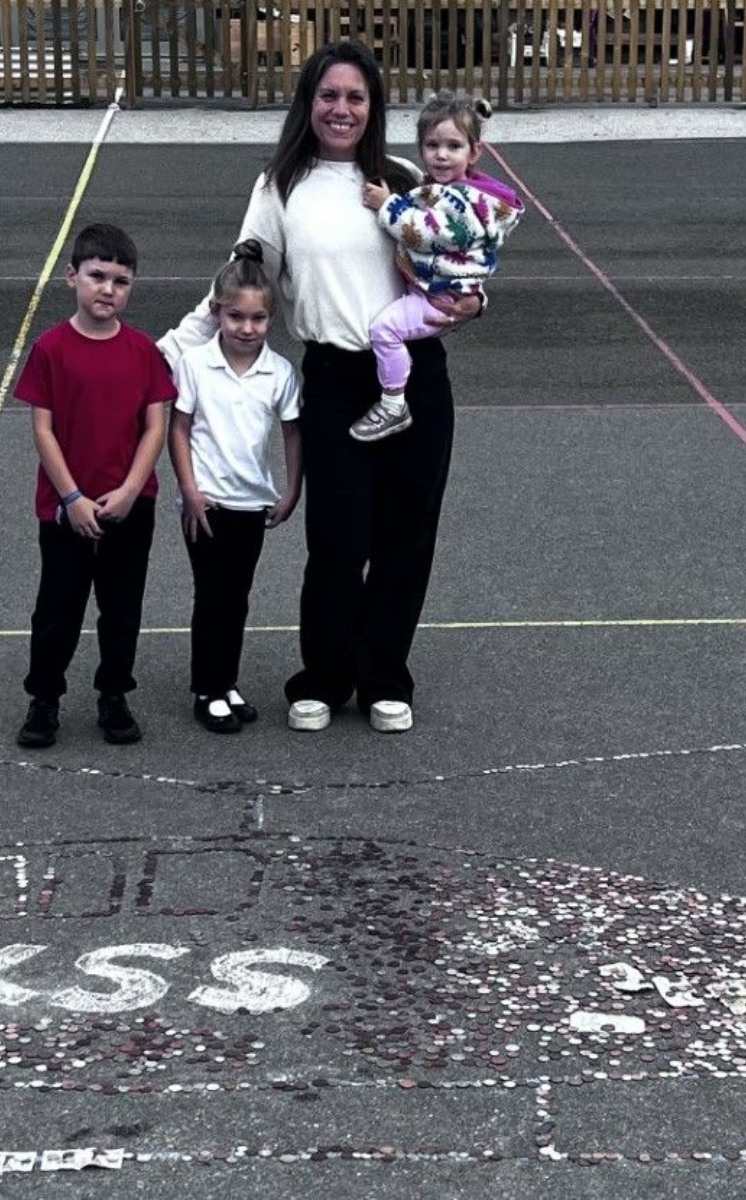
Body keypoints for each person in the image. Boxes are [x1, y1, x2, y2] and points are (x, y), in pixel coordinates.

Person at [159, 40, 481, 736]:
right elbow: (241, 280)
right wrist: (168, 350)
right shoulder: (280, 185)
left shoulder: (404, 179)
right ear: (309, 102)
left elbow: (458, 259)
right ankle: (325, 677)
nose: (341, 109)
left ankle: (384, 677)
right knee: (337, 538)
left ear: (374, 106)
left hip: (413, 376)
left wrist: (473, 302)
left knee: (406, 537)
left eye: (355, 97)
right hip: (334, 380)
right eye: (329, 95)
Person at [15, 223, 175, 749]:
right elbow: (43, 430)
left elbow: (154, 427)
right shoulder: (50, 348)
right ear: (72, 277)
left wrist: (129, 491)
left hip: (129, 506)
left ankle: (114, 693)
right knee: (58, 609)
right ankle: (44, 698)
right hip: (67, 509)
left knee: (121, 609)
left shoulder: (143, 351)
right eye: (97, 276)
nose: (108, 289)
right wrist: (71, 497)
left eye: (121, 281)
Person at [167, 241, 303, 735]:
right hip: (206, 503)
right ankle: (207, 688)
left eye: (258, 318)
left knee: (237, 596)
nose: (247, 328)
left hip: (252, 503)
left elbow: (292, 432)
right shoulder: (195, 364)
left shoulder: (279, 372)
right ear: (218, 313)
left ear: (270, 319)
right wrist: (189, 489)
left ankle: (226, 681)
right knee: (212, 595)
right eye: (236, 316)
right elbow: (179, 428)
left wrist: (291, 491)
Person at [352, 92, 524, 443]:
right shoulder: (449, 189)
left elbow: (427, 234)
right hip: (443, 290)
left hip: (438, 298)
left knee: (385, 330)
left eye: (453, 146)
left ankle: (393, 403)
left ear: (474, 153)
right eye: (432, 145)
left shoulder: (463, 201)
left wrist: (387, 206)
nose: (441, 155)